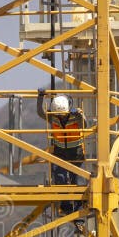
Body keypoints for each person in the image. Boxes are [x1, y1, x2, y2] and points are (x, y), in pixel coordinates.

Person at [37, 88, 86, 225]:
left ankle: (79, 210)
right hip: (60, 153)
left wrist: (79, 116)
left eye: (63, 115)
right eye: (59, 115)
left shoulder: (76, 116)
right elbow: (41, 113)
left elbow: (85, 125)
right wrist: (40, 97)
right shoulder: (54, 116)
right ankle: (65, 207)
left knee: (78, 182)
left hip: (75, 154)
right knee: (60, 179)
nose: (61, 117)